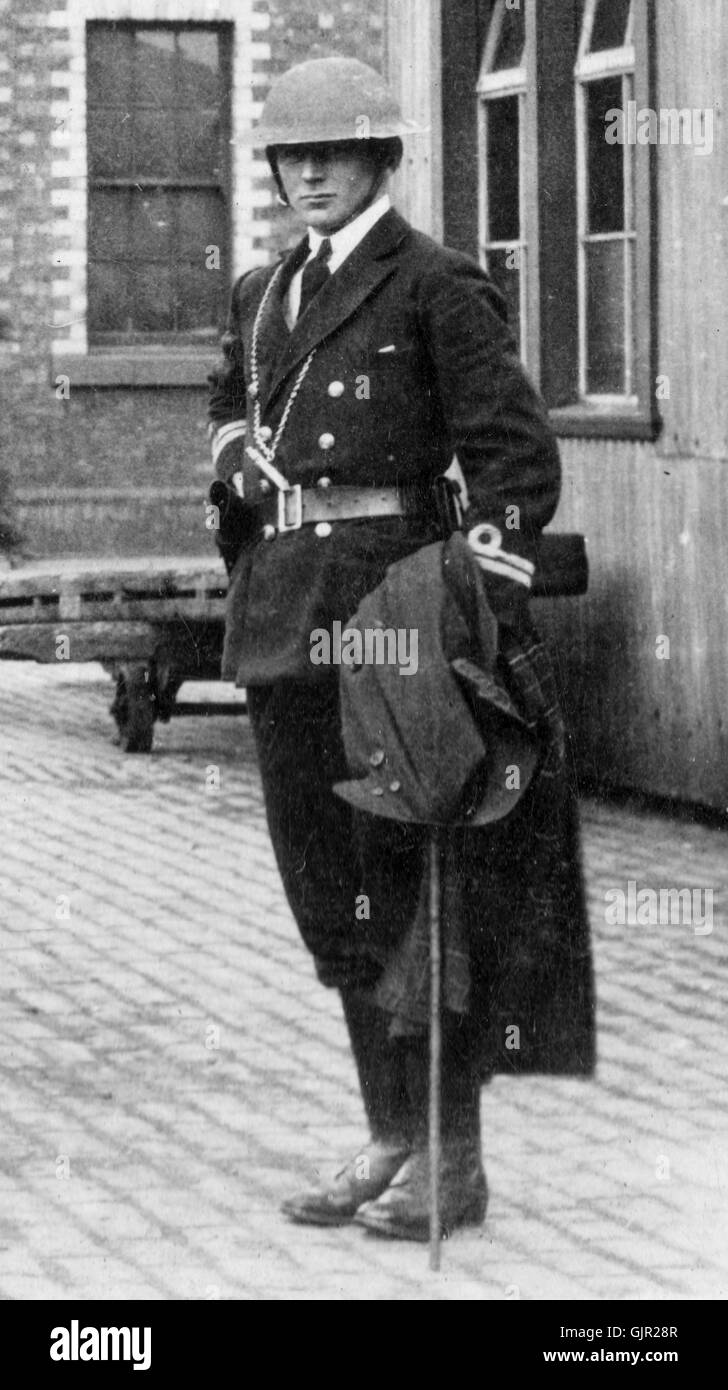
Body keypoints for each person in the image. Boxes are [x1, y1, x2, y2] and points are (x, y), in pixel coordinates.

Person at [208, 56, 595, 1242]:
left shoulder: (434, 284)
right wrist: (232, 463)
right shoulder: (263, 291)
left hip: (394, 633)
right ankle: (389, 1127)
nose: (309, 172)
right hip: (285, 624)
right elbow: (231, 406)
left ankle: (450, 1156)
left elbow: (516, 468)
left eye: (333, 152)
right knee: (330, 894)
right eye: (291, 155)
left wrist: (453, 605)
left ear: (381, 160)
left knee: (421, 896)